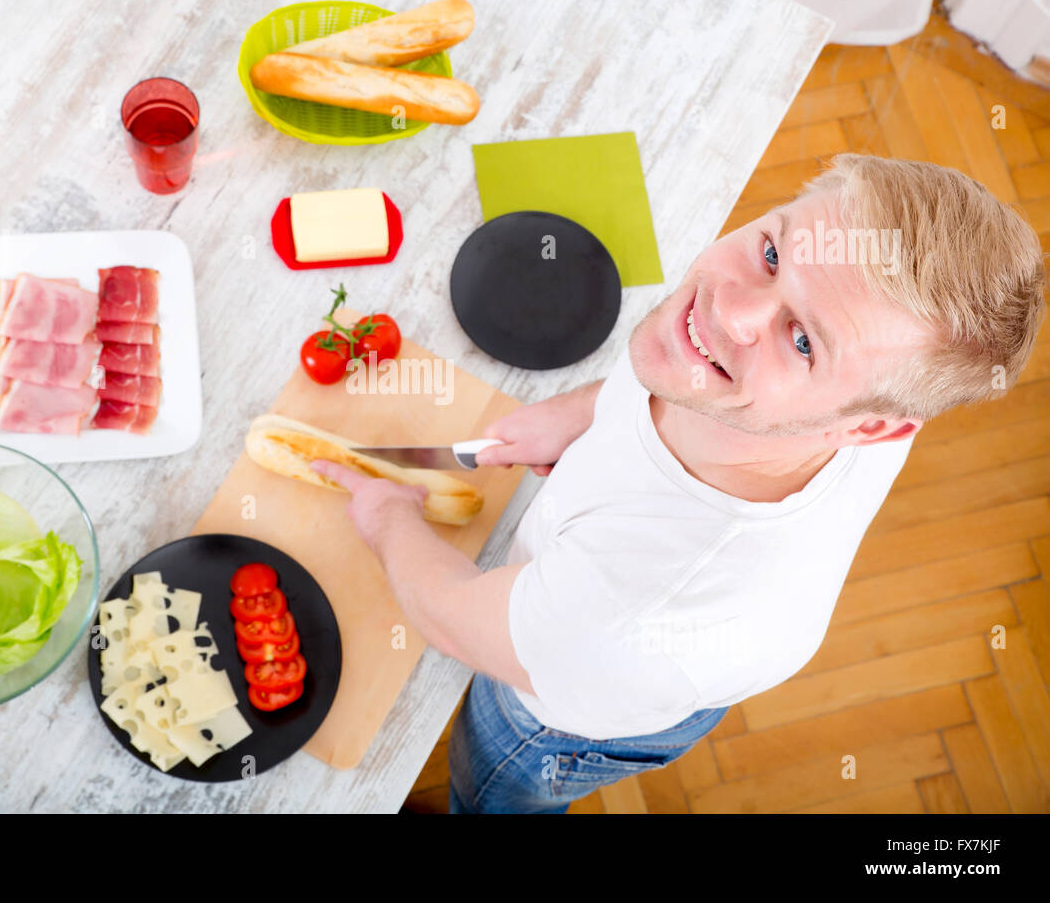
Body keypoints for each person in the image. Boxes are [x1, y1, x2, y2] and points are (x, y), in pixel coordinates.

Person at [310, 154, 1047, 813]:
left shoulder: (633, 615)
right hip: (608, 644)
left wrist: (387, 518)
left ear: (870, 431)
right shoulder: (839, 388)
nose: (727, 310)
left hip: (554, 722)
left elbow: (451, 618)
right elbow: (671, 371)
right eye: (769, 252)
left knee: (494, 791)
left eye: (800, 340)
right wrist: (580, 413)